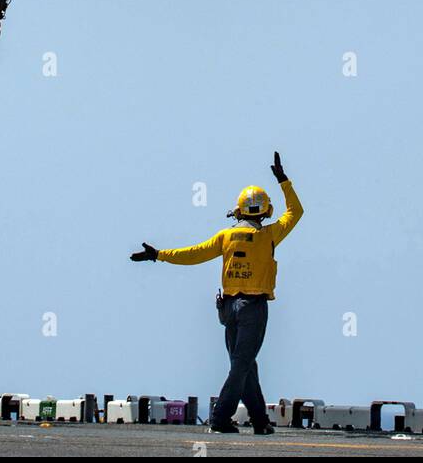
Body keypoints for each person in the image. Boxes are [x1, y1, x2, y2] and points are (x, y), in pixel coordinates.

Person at [129, 151, 304, 434]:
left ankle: (261, 422)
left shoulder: (226, 237)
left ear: (239, 210)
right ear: (266, 210)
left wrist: (159, 255)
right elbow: (296, 212)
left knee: (246, 365)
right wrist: (283, 180)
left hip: (228, 309)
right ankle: (220, 418)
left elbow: (193, 253)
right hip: (254, 308)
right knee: (241, 365)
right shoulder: (270, 235)